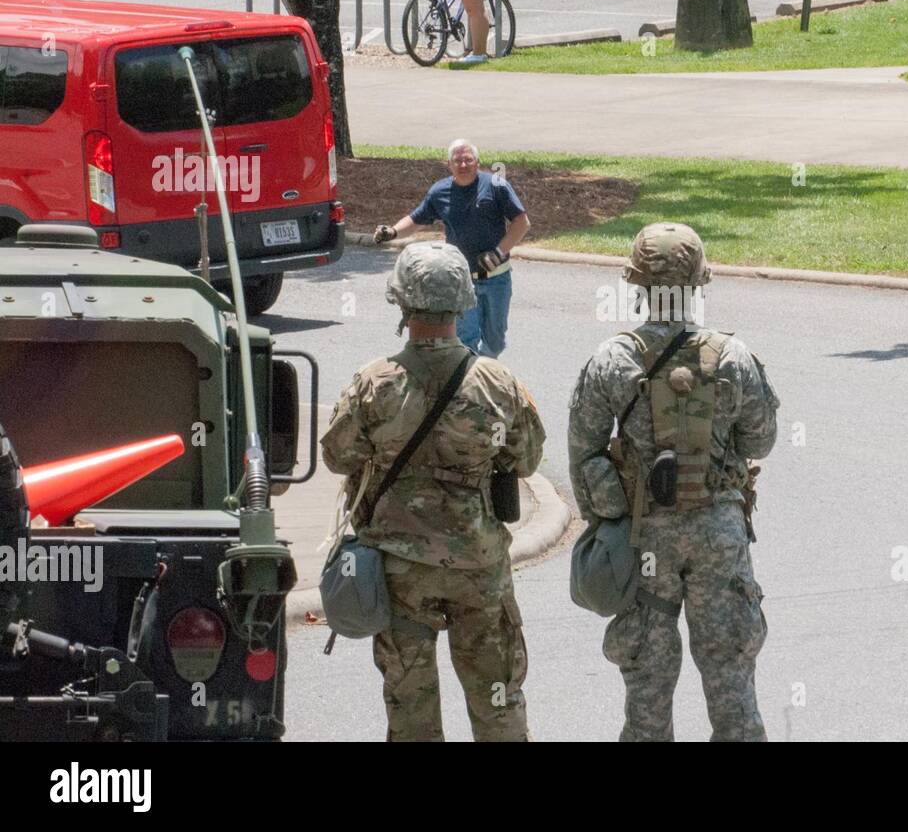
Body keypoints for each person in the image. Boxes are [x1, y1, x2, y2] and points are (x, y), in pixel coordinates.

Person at [321, 240, 545, 742]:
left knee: (411, 708)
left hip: (399, 571)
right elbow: (526, 458)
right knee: (496, 698)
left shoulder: (373, 383)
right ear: (464, 302)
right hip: (479, 566)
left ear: (401, 303)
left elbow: (337, 456)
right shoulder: (498, 382)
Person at [567, 222, 781, 742]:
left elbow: (584, 454)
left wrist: (614, 516)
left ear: (637, 286)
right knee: (731, 678)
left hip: (646, 540)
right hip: (719, 536)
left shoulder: (612, 360)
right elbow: (759, 442)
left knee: (647, 684)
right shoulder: (732, 356)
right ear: (698, 285)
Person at [373, 138, 529, 358]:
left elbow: (522, 223)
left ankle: (484, 367)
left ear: (477, 162)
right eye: (457, 161)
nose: (463, 165)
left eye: (468, 160)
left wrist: (497, 253)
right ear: (449, 164)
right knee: (466, 340)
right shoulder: (440, 191)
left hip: (497, 277)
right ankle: (470, 383)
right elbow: (417, 219)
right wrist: (392, 231)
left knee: (496, 342)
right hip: (461, 278)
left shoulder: (496, 185)